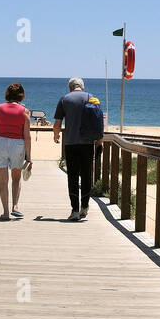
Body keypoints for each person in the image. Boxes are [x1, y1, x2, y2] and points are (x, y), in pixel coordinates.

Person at [52, 77, 104, 221]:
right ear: (82, 86)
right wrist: (99, 142)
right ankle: (85, 207)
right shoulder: (91, 98)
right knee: (87, 175)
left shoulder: (64, 99)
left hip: (70, 143)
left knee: (73, 177)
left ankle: (75, 210)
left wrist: (56, 136)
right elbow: (98, 121)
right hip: (87, 143)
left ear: (70, 87)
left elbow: (57, 123)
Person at [0, 82, 32, 220]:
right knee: (16, 178)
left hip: (0, 143)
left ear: (7, 94)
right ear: (21, 96)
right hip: (17, 144)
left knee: (2, 181)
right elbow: (27, 136)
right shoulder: (25, 111)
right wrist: (29, 157)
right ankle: (15, 206)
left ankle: (5, 212)